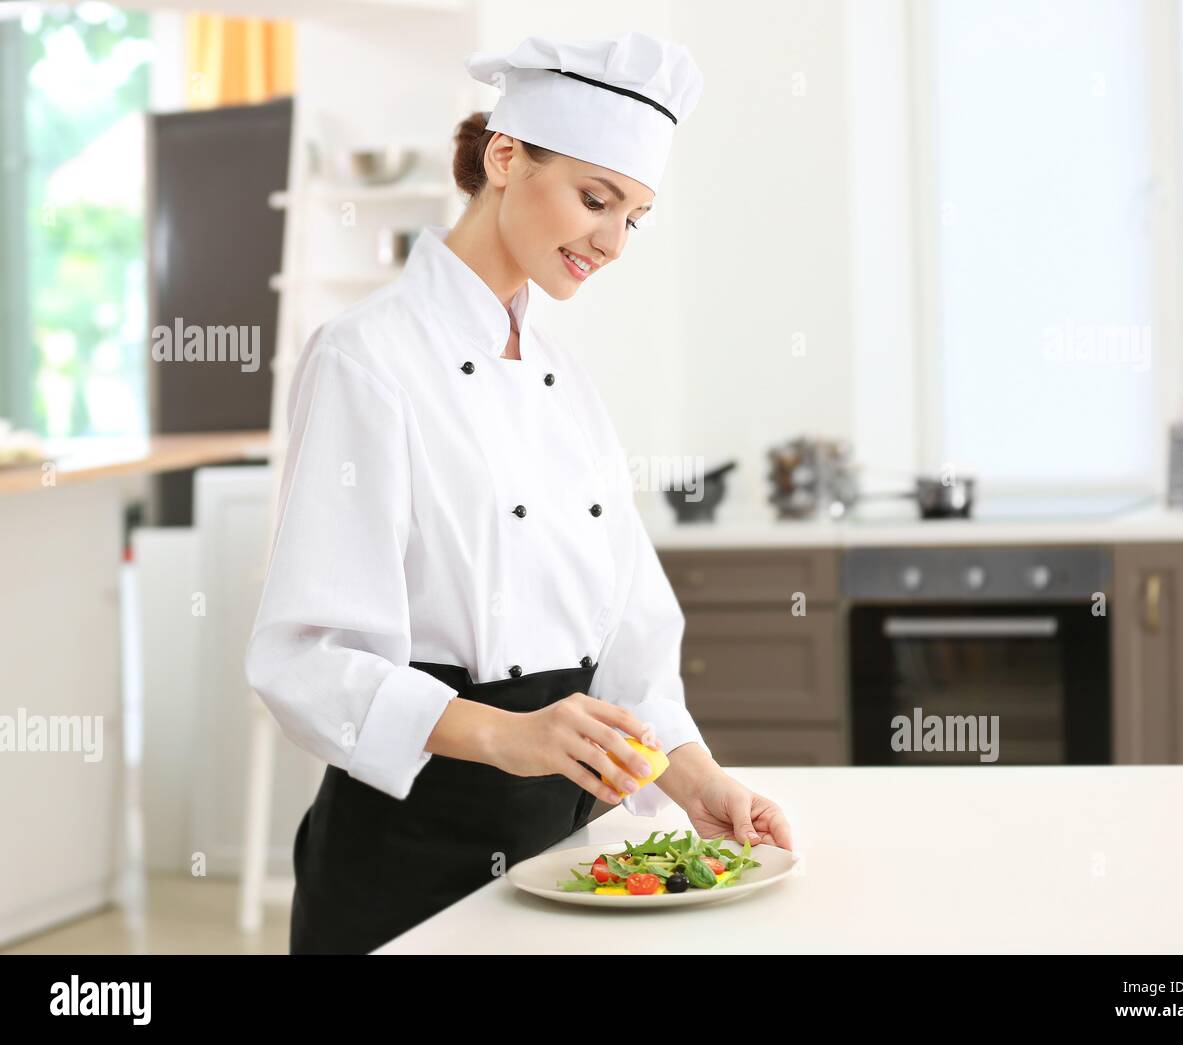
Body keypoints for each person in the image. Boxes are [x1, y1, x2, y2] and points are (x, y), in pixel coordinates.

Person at [245, 30, 793, 956]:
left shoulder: (566, 383)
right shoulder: (366, 358)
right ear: (505, 156)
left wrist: (697, 782)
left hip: (563, 849)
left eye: (635, 216)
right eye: (596, 199)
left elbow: (630, 638)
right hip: (410, 847)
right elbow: (307, 658)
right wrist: (510, 736)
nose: (613, 241)